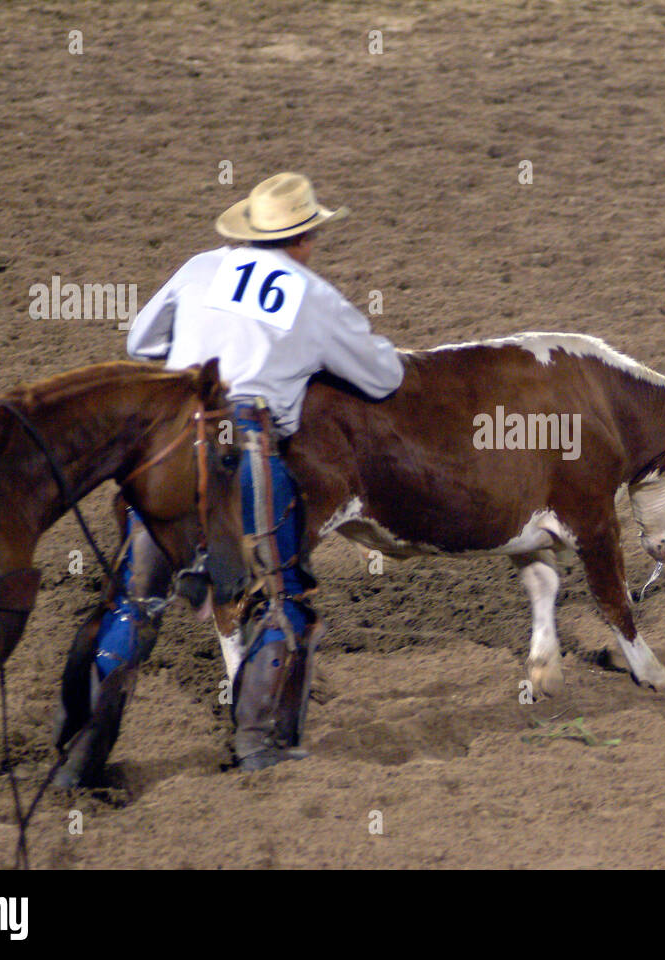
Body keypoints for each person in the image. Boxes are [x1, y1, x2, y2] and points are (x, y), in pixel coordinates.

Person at [54, 172, 404, 784]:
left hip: (172, 446)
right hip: (246, 449)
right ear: (304, 237)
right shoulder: (314, 297)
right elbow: (383, 378)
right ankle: (258, 745)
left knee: (135, 601)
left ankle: (80, 758)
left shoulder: (201, 267)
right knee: (280, 601)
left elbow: (141, 339)